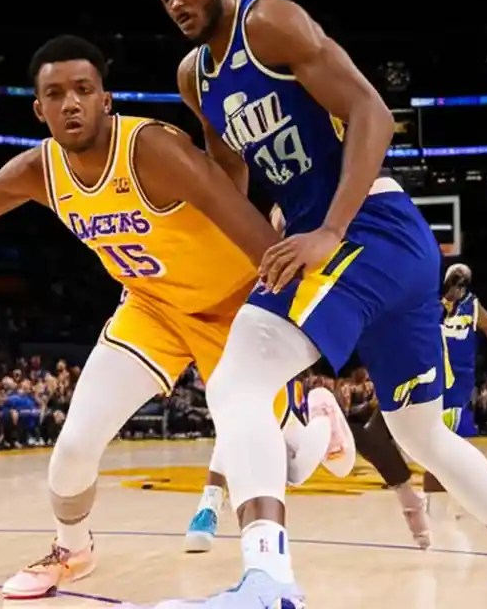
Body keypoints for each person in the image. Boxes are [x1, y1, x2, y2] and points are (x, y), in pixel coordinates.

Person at [0, 34, 352, 600]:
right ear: (40, 109)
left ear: (105, 99)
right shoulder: (37, 171)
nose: (71, 103)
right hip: (152, 308)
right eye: (56, 94)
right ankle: (73, 550)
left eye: (84, 89)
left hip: (233, 305)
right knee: (74, 448)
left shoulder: (152, 150)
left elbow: (250, 223)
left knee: (295, 466)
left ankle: (320, 418)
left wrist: (303, 320)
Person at [145, 0, 487, 608]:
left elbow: (371, 110)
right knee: (421, 434)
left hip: (366, 230)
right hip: (381, 248)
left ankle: (266, 581)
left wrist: (328, 229)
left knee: (235, 380)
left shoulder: (269, 21)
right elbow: (229, 173)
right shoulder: (192, 75)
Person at [184, 205, 429, 553]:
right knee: (235, 407)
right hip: (271, 352)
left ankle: (324, 419)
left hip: (305, 353)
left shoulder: (336, 253)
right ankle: (212, 504)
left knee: (295, 463)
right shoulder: (263, 253)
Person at [427, 263, 487, 520]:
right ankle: (436, 504)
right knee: (441, 443)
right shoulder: (436, 306)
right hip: (439, 379)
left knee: (444, 441)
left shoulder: (470, 306)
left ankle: (442, 502)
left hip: (454, 383)